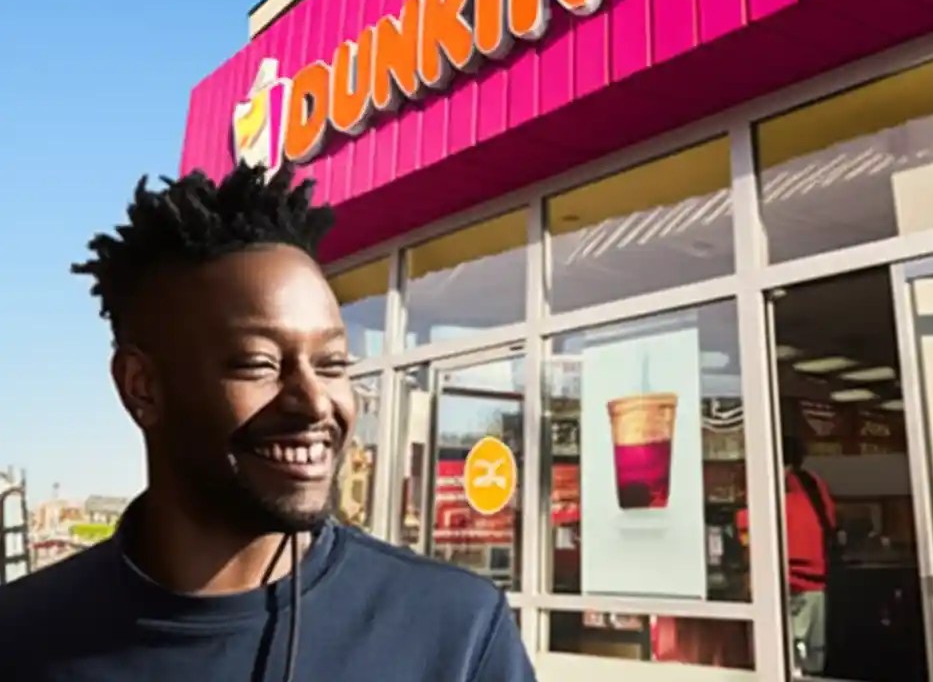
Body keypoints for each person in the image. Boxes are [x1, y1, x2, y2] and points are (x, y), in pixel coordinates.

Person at [0, 164, 536, 681]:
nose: (314, 402)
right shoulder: (23, 637)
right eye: (258, 364)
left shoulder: (454, 634)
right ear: (142, 386)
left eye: (331, 364)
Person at [736, 433, 837, 676]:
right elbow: (830, 523)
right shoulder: (814, 483)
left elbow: (747, 528)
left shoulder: (769, 486)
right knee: (810, 658)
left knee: (781, 656)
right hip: (815, 583)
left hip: (782, 584)